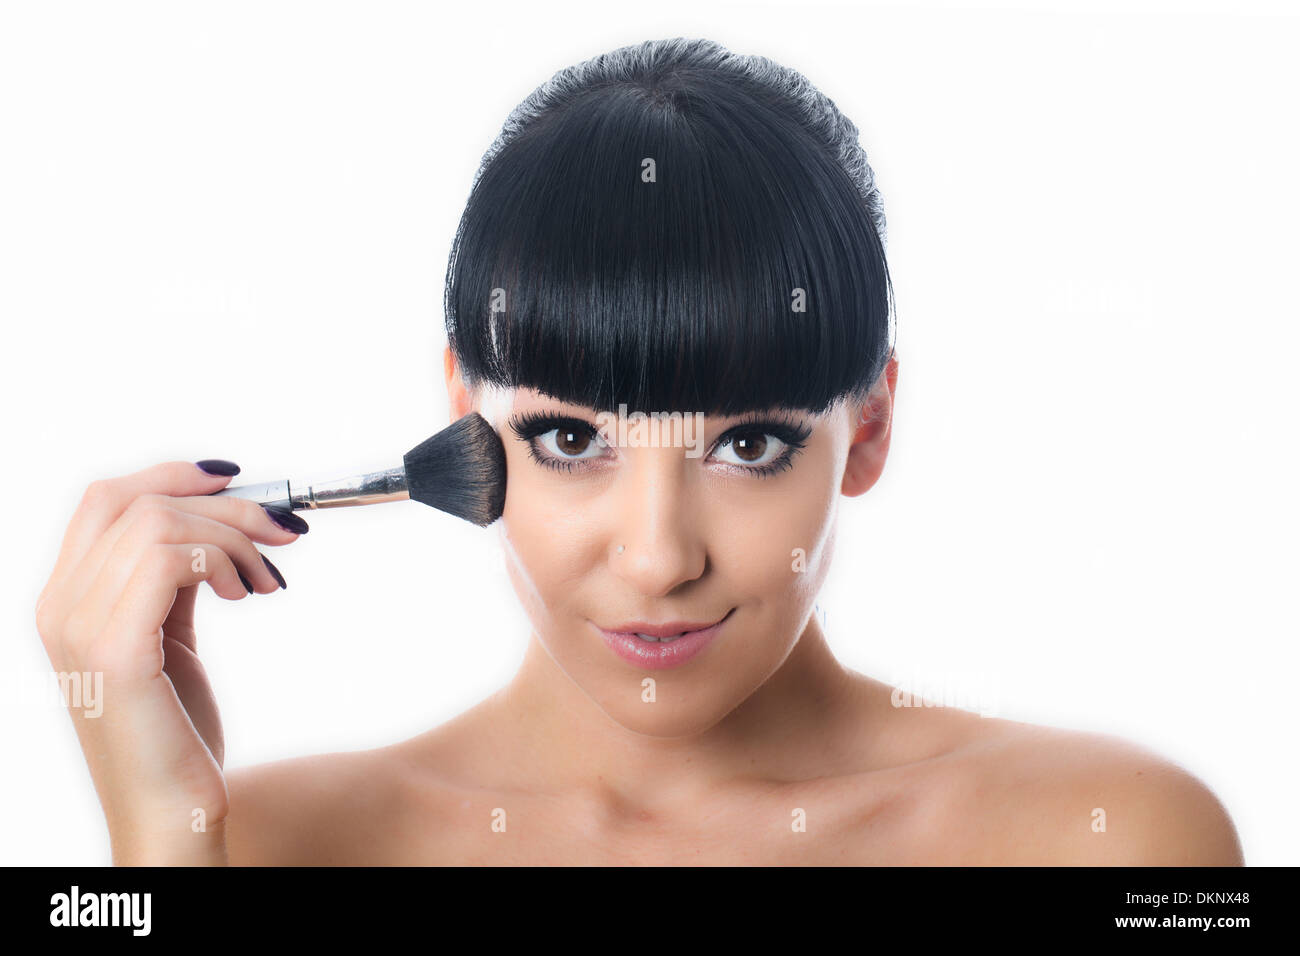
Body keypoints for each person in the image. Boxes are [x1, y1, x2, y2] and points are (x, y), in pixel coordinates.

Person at [36, 37, 1242, 865]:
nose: (658, 558)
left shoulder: (1114, 834)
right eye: (571, 437)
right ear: (465, 411)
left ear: (867, 427)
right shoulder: (269, 847)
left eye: (750, 443)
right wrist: (162, 838)